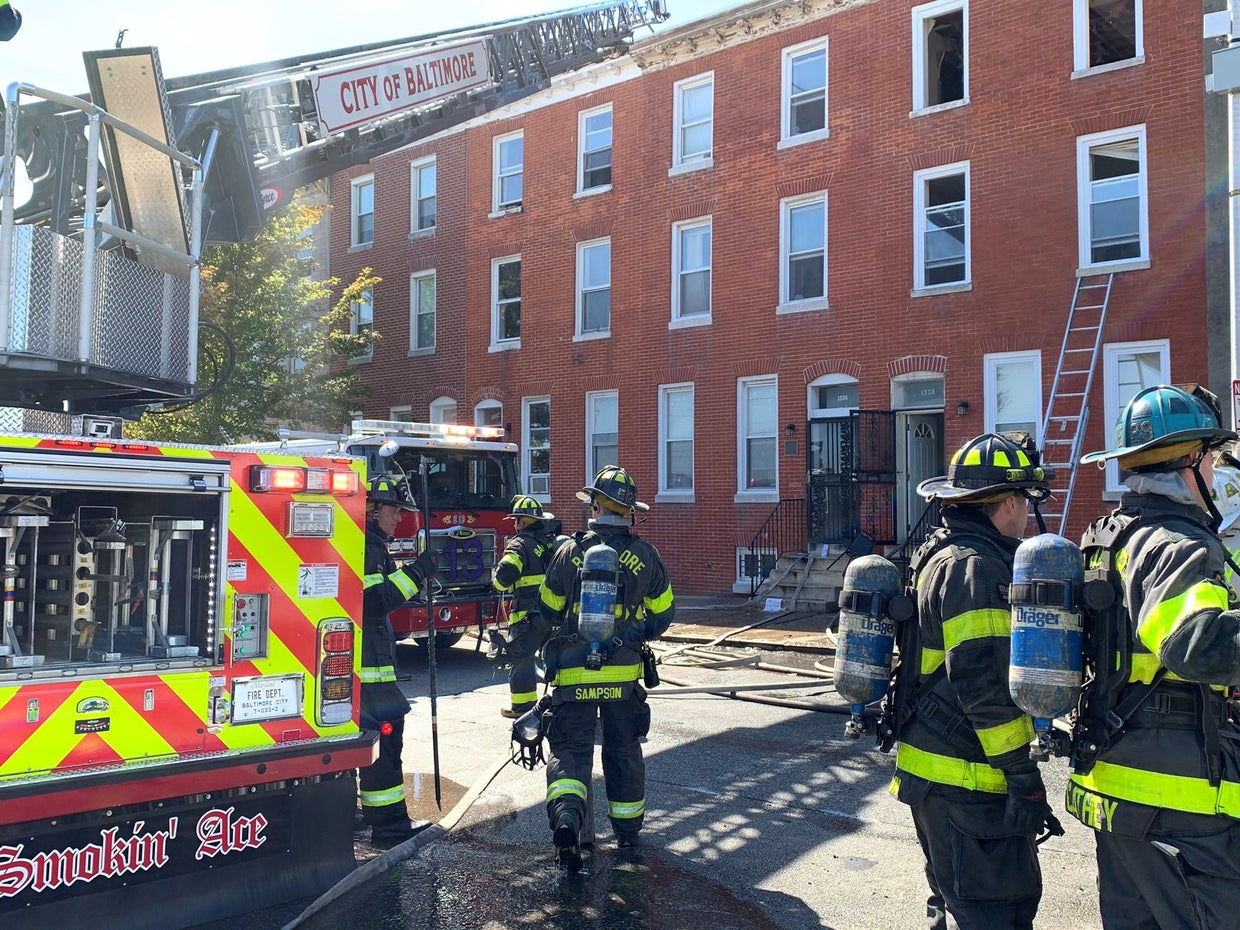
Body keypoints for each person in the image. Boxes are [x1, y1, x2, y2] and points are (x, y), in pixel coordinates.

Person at [1069, 384, 1240, 929]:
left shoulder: (1107, 536)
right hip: (1180, 796)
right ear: (1190, 460)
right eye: (1212, 459)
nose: (1217, 473)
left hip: (1115, 782)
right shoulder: (1180, 544)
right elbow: (1196, 644)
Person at [891, 432, 1062, 930]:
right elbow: (983, 685)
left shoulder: (945, 554)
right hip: (967, 779)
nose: (1028, 512)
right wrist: (1023, 776)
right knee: (995, 914)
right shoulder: (978, 569)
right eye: (1026, 499)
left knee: (957, 903)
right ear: (1007, 502)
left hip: (941, 776)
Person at [538, 465, 675, 873]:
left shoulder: (569, 551)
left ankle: (567, 822)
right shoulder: (646, 556)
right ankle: (628, 833)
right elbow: (664, 615)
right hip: (622, 679)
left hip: (573, 677)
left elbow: (547, 609)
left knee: (571, 752)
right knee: (623, 751)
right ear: (629, 511)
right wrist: (629, 634)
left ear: (596, 505)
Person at [361, 474, 437, 846]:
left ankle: (366, 818)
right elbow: (375, 602)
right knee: (386, 746)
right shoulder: (368, 547)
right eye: (394, 510)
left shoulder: (372, 544)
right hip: (369, 674)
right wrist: (419, 571)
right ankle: (389, 828)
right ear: (373, 511)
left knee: (369, 746)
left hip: (366, 669)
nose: (399, 518)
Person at [491, 495, 560, 719]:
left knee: (522, 660)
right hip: (554, 613)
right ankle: (562, 706)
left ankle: (523, 709)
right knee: (557, 659)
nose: (515, 524)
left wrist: (497, 580)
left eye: (516, 520)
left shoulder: (519, 544)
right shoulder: (552, 543)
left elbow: (505, 576)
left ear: (521, 521)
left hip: (526, 617)